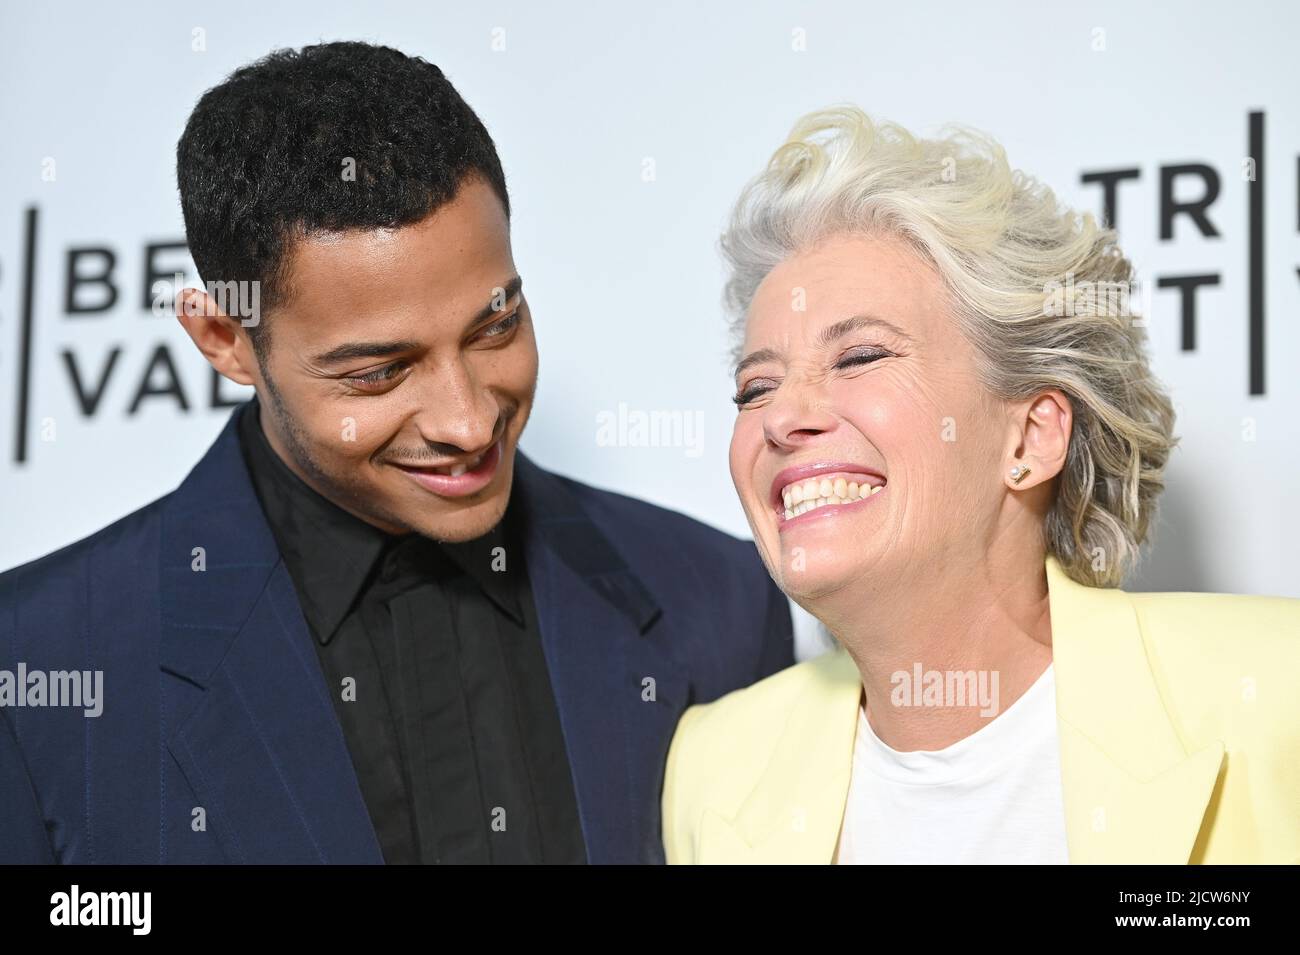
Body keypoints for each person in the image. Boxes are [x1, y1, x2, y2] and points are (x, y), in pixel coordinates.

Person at [0, 41, 793, 865]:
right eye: (380, 371)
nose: (466, 419)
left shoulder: (718, 600)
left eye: (496, 327)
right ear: (226, 338)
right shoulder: (40, 671)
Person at [661, 106, 1300, 864]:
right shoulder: (711, 768)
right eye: (754, 387)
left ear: (1030, 437)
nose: (781, 418)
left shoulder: (1278, 690)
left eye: (860, 356)